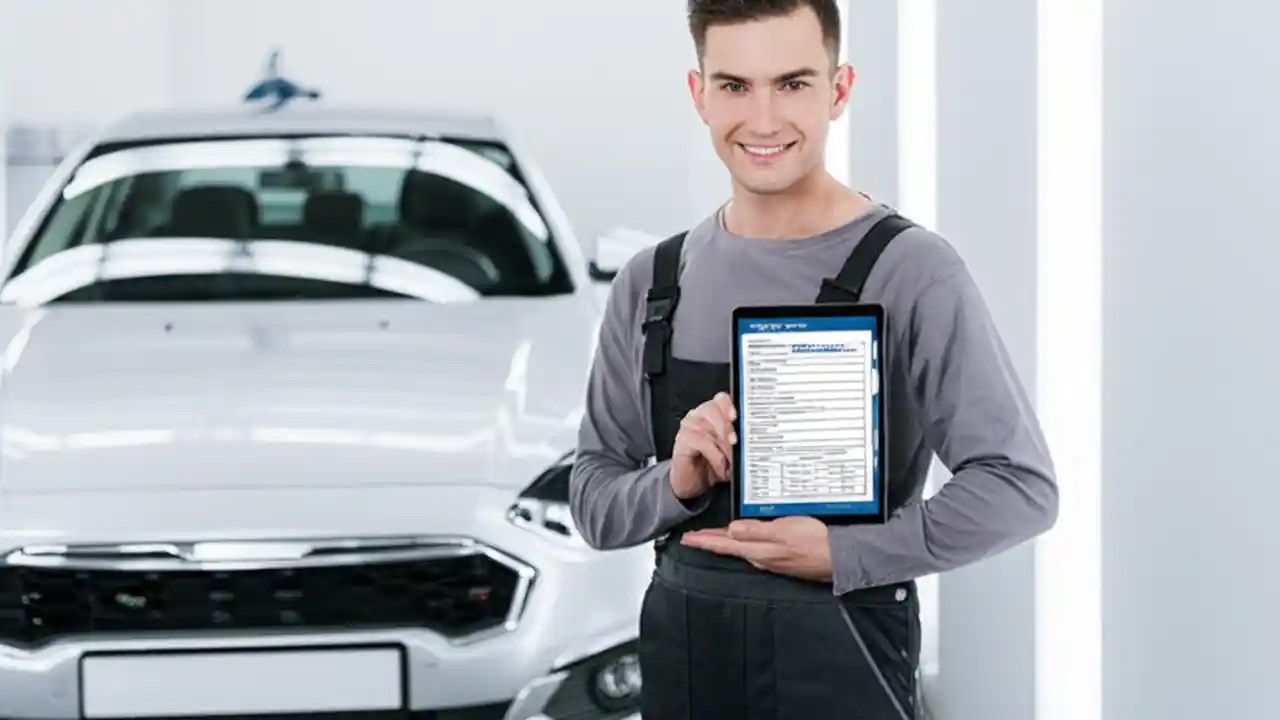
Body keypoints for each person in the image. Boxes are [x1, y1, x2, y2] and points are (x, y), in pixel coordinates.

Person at [568, 1, 1059, 717]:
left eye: (793, 84)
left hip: (848, 657)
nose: (763, 120)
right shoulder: (651, 283)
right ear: (698, 94)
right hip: (688, 669)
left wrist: (847, 555)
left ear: (839, 89)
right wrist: (674, 483)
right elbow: (593, 504)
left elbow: (1021, 488)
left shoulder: (912, 270)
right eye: (735, 86)